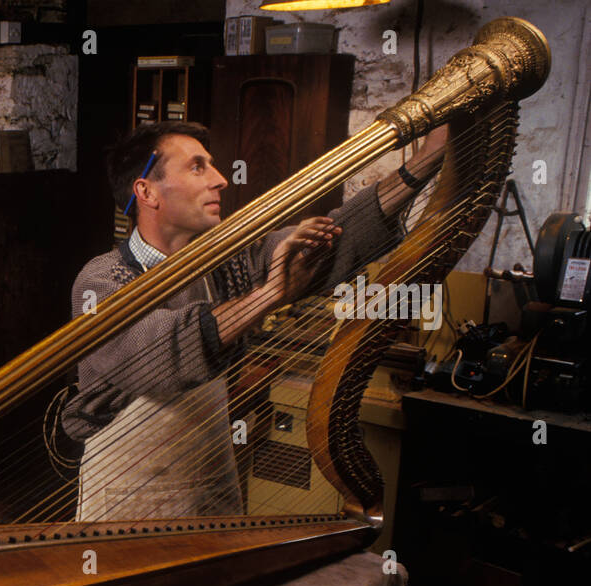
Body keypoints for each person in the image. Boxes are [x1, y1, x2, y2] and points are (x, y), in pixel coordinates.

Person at [61, 120, 443, 522]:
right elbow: (161, 354)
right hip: (126, 501)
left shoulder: (226, 265)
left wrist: (423, 160)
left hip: (211, 489)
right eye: (197, 167)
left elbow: (335, 240)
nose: (221, 180)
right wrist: (266, 297)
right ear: (146, 191)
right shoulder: (101, 282)